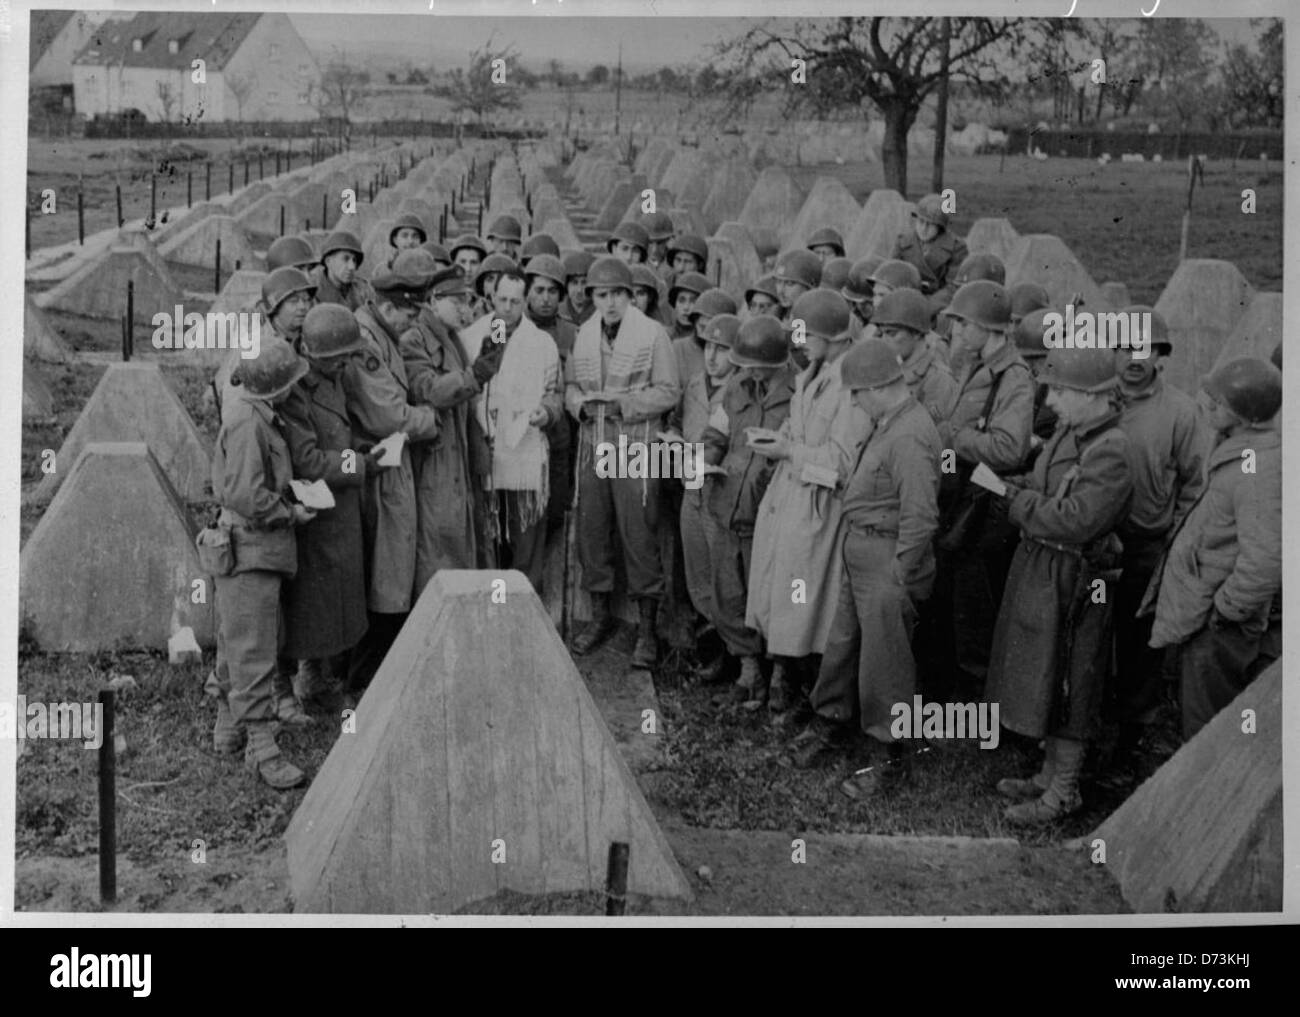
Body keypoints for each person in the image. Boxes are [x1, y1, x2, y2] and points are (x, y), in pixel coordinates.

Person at [986, 345, 1132, 825]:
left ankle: (1064, 792)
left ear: (1093, 396)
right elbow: (1045, 483)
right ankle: (1048, 777)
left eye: (1061, 392)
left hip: (1080, 579)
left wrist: (1015, 502)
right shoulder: (1075, 430)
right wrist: (1017, 485)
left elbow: (1078, 520)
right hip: (1050, 568)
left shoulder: (1111, 449)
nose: (1050, 403)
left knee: (1074, 682)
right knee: (1051, 674)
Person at [791, 337, 942, 797]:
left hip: (888, 556)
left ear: (878, 388)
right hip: (862, 550)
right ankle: (831, 721)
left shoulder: (910, 433)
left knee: (885, 663)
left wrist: (900, 574)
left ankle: (886, 753)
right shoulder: (888, 422)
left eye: (857, 392)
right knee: (843, 643)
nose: (853, 401)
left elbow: (921, 515)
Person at [1144, 357, 1281, 741]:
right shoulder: (1242, 451)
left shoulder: (1256, 470)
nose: (1207, 405)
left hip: (1219, 624)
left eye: (1218, 403)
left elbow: (1266, 560)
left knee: (1209, 731)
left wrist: (1228, 610)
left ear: (1244, 416)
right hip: (1208, 614)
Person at [747, 290, 869, 717]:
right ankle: (790, 683)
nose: (799, 341)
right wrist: (782, 441)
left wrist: (789, 454)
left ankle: (811, 696)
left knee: (808, 607)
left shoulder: (850, 383)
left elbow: (841, 466)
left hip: (819, 508)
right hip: (791, 501)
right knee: (785, 598)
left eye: (806, 332)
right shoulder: (812, 373)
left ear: (831, 335)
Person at [206, 340, 315, 790]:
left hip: (251, 547)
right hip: (251, 547)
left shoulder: (252, 414)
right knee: (254, 647)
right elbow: (246, 496)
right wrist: (290, 512)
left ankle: (227, 725)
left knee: (238, 640)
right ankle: (261, 746)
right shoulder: (249, 422)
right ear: (277, 388)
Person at [565, 257, 681, 668]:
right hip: (595, 442)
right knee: (592, 532)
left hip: (634, 444)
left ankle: (647, 630)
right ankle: (599, 618)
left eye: (617, 294)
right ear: (591, 297)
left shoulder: (652, 335)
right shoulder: (583, 334)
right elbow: (571, 386)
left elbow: (669, 391)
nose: (609, 302)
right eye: (601, 294)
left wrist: (625, 405)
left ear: (631, 296)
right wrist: (578, 405)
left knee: (639, 534)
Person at [921, 280, 1033, 703]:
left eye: (966, 324)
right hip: (960, 496)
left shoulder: (1014, 377)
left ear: (991, 328)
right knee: (951, 594)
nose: (959, 332)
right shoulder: (973, 363)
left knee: (975, 602)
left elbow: (1010, 446)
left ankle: (977, 698)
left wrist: (956, 436)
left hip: (984, 505)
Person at [1108, 307, 1209, 762]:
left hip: (1145, 545)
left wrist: (1173, 539)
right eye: (1127, 346)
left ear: (1160, 355)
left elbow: (1194, 483)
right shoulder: (1099, 400)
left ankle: (1132, 732)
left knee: (1138, 640)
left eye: (1145, 348)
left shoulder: (1181, 412)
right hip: (1093, 538)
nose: (1135, 357)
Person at [343, 252, 443, 694]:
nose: (411, 323)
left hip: (386, 465)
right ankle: (366, 679)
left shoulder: (378, 332)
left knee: (389, 568)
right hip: (378, 466)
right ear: (389, 307)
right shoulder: (366, 340)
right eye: (409, 312)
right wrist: (430, 419)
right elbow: (387, 414)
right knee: (385, 572)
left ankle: (372, 675)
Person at [279, 305, 372, 715]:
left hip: (341, 512)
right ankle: (296, 685)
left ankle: (317, 680)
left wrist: (360, 454)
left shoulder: (335, 380)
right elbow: (310, 461)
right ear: (316, 355)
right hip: (318, 514)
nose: (348, 362)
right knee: (311, 607)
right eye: (340, 356)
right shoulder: (298, 391)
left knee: (334, 602)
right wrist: (361, 463)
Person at [702, 315, 798, 708]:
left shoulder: (798, 393)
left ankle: (780, 678)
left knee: (772, 597)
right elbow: (716, 434)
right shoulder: (734, 388)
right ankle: (748, 671)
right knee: (729, 593)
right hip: (727, 504)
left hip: (770, 513)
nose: (749, 371)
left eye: (756, 365)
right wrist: (706, 460)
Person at [461, 270, 563, 593]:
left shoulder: (542, 343)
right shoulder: (472, 336)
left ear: (525, 301)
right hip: (486, 453)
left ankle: (523, 612)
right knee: (488, 543)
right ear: (492, 298)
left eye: (515, 302)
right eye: (502, 299)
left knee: (525, 542)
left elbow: (555, 392)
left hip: (525, 456)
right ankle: (490, 613)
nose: (507, 307)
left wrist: (545, 412)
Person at [400, 264, 497, 587]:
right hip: (434, 461)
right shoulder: (414, 339)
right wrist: (474, 376)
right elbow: (427, 390)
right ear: (434, 300)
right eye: (457, 302)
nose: (465, 310)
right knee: (437, 554)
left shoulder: (452, 338)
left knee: (458, 548)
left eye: (467, 301)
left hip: (457, 459)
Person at [669, 313, 738, 680]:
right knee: (696, 568)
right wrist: (674, 441)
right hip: (690, 484)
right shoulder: (696, 383)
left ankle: (733, 657)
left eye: (722, 349)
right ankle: (710, 649)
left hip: (720, 489)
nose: (712, 356)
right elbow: (677, 421)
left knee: (722, 573)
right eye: (709, 346)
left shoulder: (740, 388)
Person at [213, 267, 315, 419]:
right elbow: (236, 402)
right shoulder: (256, 345)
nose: (303, 307)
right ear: (276, 307)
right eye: (294, 301)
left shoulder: (308, 336)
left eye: (306, 300)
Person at [871, 288, 958, 423]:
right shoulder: (894, 370)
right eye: (882, 333)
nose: (884, 341)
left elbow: (935, 438)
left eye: (892, 333)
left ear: (917, 333)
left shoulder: (939, 381)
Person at [890, 194, 968, 317]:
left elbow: (954, 287)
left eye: (930, 224)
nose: (924, 228)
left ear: (940, 227)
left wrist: (927, 307)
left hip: (938, 308)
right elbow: (891, 276)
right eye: (921, 221)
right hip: (906, 302)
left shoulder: (956, 247)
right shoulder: (903, 241)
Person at [312, 230, 374, 312]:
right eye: (346, 259)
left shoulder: (363, 290)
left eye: (354, 260)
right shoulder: (313, 292)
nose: (352, 266)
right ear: (328, 262)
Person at [774, 250, 822, 321]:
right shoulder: (775, 315)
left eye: (789, 283)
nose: (780, 291)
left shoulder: (819, 320)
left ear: (811, 287)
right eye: (778, 282)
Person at [666, 271, 709, 343]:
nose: (686, 307)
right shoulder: (664, 336)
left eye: (693, 301)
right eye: (681, 300)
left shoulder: (709, 342)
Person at [561, 249, 596, 328]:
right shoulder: (558, 312)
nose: (579, 290)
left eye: (584, 283)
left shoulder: (601, 312)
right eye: (574, 283)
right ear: (567, 285)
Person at [641, 211, 675, 275]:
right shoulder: (634, 263)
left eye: (660, 243)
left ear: (668, 240)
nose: (654, 250)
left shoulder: (677, 266)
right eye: (650, 242)